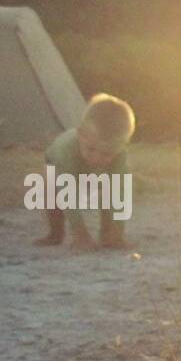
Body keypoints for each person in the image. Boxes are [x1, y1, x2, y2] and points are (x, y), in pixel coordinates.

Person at [35, 93, 135, 249]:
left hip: (90, 172)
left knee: (112, 189)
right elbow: (67, 196)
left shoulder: (120, 155)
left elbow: (120, 194)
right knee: (50, 190)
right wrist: (81, 235)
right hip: (56, 165)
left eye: (107, 154)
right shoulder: (66, 149)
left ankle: (107, 234)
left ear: (122, 147)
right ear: (81, 135)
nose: (97, 158)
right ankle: (55, 234)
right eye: (91, 149)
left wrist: (118, 233)